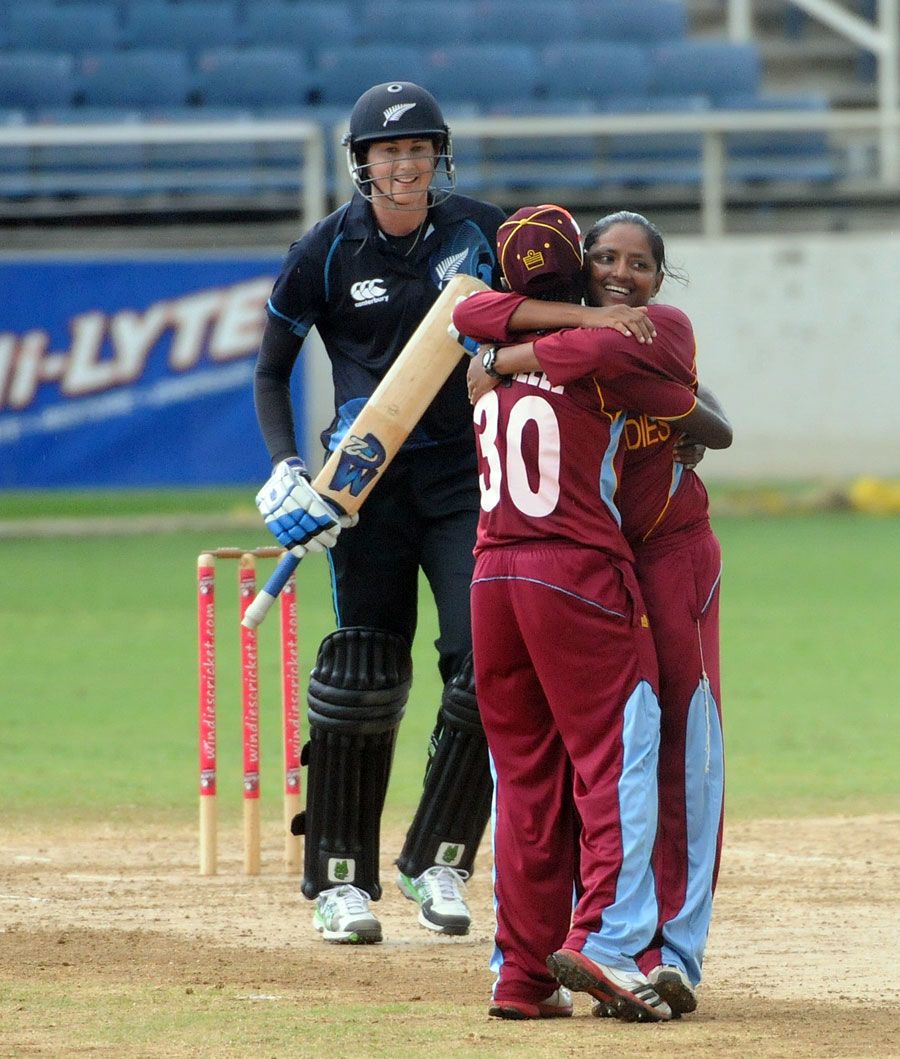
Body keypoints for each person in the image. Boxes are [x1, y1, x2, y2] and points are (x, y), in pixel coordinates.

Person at [452, 204, 727, 1022]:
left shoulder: (640, 333)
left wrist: (507, 355)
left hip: (618, 561)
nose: (620, 276)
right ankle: (613, 944)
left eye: (638, 264)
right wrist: (559, 337)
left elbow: (712, 417)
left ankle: (613, 959)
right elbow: (480, 308)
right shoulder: (603, 349)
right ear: (575, 271)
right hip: (584, 569)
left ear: (662, 277)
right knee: (622, 759)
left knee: (662, 752)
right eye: (603, 259)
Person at [251, 81, 507, 945]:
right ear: (362, 164)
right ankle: (339, 879)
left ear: (440, 156)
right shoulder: (324, 249)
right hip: (361, 488)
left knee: (485, 666)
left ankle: (439, 857)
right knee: (361, 673)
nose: (406, 165)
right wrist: (289, 470)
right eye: (389, 152)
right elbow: (268, 371)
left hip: (462, 480)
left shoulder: (483, 233)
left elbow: (547, 317)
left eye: (419, 149)